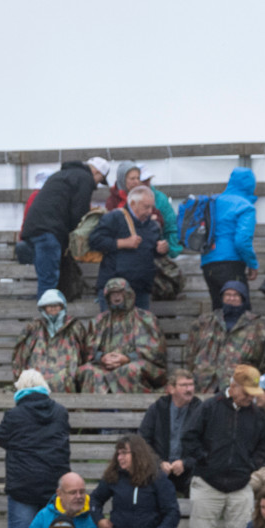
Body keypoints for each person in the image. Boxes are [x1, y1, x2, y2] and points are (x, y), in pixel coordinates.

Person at [180, 364, 265, 528]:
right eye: (246, 392)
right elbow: (189, 437)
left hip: (241, 484)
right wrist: (205, 460)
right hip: (207, 483)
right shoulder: (209, 407)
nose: (250, 397)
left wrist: (251, 466)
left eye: (253, 393)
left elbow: (264, 445)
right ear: (233, 386)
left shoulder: (257, 415)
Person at [0, 368, 70, 528]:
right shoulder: (60, 412)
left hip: (22, 486)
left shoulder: (14, 415)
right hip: (54, 485)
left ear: (20, 389)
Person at [17, 158, 108, 299]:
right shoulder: (84, 178)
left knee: (46, 277)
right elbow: (79, 213)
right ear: (96, 172)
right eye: (99, 179)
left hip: (34, 229)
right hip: (49, 231)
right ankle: (46, 317)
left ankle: (45, 312)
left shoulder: (62, 174)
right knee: (49, 281)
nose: (96, 184)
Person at [73, 278, 166, 392]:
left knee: (127, 370)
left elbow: (156, 352)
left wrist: (127, 358)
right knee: (88, 371)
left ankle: (134, 409)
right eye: (112, 294)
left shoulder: (146, 318)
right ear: (108, 297)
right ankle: (90, 409)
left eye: (119, 293)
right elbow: (88, 350)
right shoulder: (99, 321)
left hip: (138, 364)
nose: (116, 297)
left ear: (127, 294)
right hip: (104, 365)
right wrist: (102, 358)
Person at [89, 179, 167, 312]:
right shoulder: (114, 218)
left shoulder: (153, 226)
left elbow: (153, 251)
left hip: (142, 289)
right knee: (114, 330)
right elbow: (94, 241)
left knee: (140, 331)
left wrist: (162, 249)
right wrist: (122, 243)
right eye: (145, 207)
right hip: (115, 289)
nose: (150, 211)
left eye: (151, 207)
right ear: (132, 204)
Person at [184, 280, 265, 396]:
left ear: (243, 298)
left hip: (239, 386)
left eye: (236, 295)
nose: (231, 298)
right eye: (227, 295)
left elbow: (264, 358)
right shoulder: (205, 322)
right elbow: (191, 351)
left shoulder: (257, 326)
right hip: (205, 383)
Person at [198, 167, 260, 309]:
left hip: (208, 264)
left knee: (219, 312)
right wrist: (252, 264)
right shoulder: (245, 207)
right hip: (231, 264)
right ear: (251, 186)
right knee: (239, 314)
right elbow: (242, 241)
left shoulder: (214, 201)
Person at [139, 369, 198, 497]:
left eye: (191, 385)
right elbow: (143, 441)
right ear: (171, 389)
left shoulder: (200, 410)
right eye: (184, 385)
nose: (189, 389)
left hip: (189, 471)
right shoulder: (158, 408)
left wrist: (185, 463)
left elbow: (206, 446)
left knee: (199, 482)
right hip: (159, 468)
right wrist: (158, 462)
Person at [11, 290, 81, 390]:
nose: (53, 308)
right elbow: (21, 354)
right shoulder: (34, 327)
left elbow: (82, 351)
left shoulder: (74, 327)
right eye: (49, 305)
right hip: (37, 379)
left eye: (56, 305)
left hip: (66, 378)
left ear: (62, 306)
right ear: (43, 308)